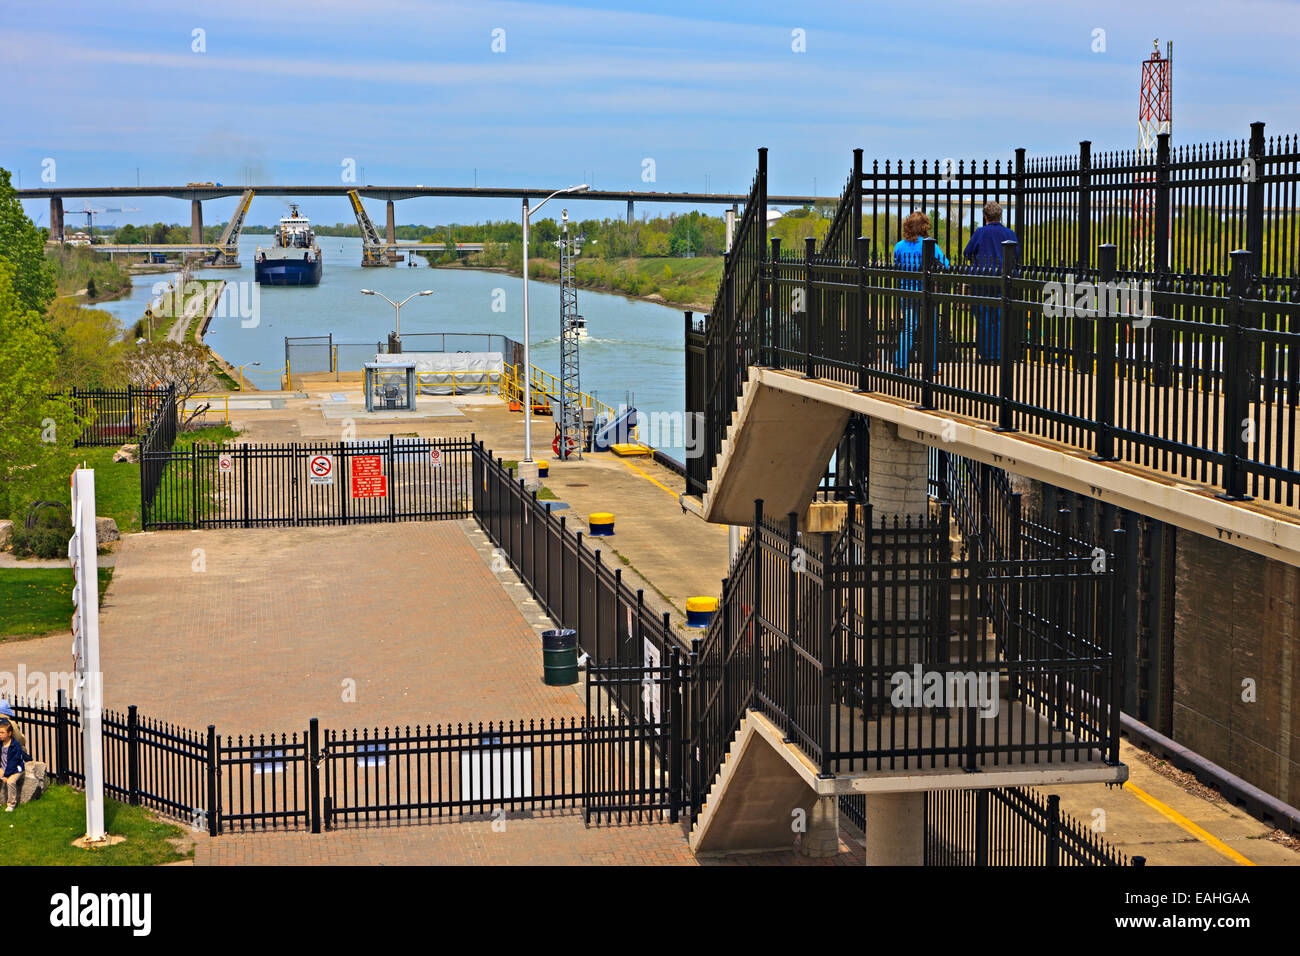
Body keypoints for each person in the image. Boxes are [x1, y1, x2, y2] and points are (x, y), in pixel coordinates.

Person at [893, 211, 950, 373]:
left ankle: (900, 364)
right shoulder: (930, 245)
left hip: (907, 291)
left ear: (908, 226)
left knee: (908, 328)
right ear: (925, 226)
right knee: (930, 329)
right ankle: (931, 367)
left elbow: (896, 267)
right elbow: (945, 264)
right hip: (926, 291)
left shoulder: (899, 246)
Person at [963, 201, 1019, 362]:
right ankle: (1000, 354)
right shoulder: (1009, 233)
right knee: (1001, 317)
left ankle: (986, 354)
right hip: (1004, 279)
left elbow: (967, 253)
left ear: (985, 216)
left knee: (983, 318)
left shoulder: (980, 232)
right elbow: (1017, 255)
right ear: (1000, 216)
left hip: (982, 280)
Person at [0, 718, 28, 812]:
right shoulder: (0, 744)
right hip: (4, 767)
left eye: (2, 733)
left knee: (10, 782)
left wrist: (6, 776)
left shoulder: (14, 746)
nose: (0, 735)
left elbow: (13, 763)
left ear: (9, 733)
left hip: (16, 769)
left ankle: (11, 804)